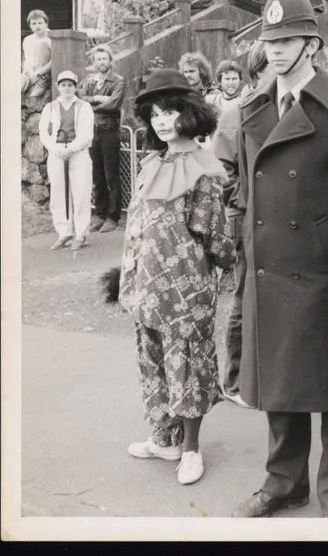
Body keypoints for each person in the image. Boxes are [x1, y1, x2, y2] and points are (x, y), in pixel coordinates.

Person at [230, 0, 328, 518]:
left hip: (322, 268)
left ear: (312, 43)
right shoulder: (255, 108)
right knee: (280, 379)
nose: (274, 50)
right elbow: (246, 191)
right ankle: (283, 481)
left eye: (287, 39)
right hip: (270, 266)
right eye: (269, 41)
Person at [119, 68, 235, 486]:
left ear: (189, 113)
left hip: (187, 289)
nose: (162, 121)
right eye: (155, 115)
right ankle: (164, 438)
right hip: (148, 285)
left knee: (187, 365)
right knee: (154, 362)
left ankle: (191, 450)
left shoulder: (202, 169)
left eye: (170, 111)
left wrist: (221, 272)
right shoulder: (152, 163)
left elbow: (218, 237)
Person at [210, 42, 273, 407]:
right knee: (243, 295)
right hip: (245, 216)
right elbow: (222, 167)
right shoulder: (238, 112)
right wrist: (245, 193)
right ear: (259, 71)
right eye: (270, 66)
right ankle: (233, 380)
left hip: (277, 221)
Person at [39, 70, 95, 250]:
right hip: (57, 152)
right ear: (58, 86)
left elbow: (86, 134)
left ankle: (80, 234)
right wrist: (56, 149)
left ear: (75, 87)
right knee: (57, 191)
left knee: (81, 192)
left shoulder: (84, 106)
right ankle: (64, 233)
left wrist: (70, 148)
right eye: (63, 85)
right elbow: (44, 133)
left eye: (70, 85)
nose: (67, 88)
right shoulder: (50, 107)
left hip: (78, 151)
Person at [78, 46, 127, 233]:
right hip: (92, 132)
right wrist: (97, 98)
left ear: (110, 60)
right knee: (97, 175)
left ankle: (112, 218)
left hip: (109, 131)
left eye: (104, 59)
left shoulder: (118, 81)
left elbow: (114, 104)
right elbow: (79, 96)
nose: (101, 62)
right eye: (98, 59)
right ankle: (99, 215)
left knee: (111, 176)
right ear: (94, 62)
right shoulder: (90, 80)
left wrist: (90, 104)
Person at [21, 9, 52, 98]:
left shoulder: (50, 39)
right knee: (16, 88)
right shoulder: (27, 40)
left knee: (33, 96)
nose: (37, 26)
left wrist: (39, 73)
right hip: (29, 73)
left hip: (43, 75)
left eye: (40, 23)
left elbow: (53, 61)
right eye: (34, 24)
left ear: (46, 24)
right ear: (30, 26)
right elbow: (25, 59)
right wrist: (27, 71)